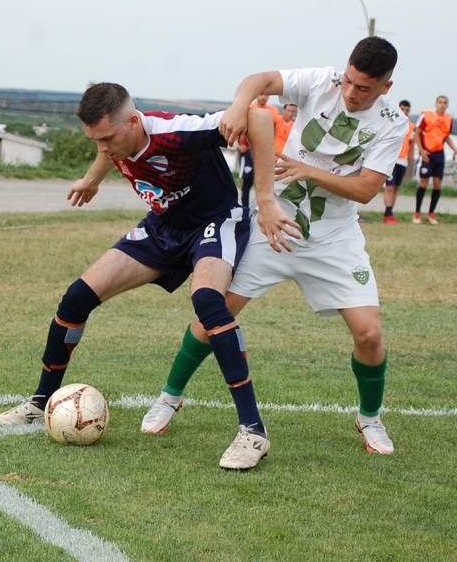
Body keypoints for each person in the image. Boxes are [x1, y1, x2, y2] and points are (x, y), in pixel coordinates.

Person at [141, 37, 407, 455]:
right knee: (216, 313)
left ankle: (370, 418)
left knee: (370, 334)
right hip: (273, 225)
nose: (351, 93)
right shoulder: (322, 81)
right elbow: (259, 79)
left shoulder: (393, 122)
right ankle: (169, 397)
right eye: (349, 81)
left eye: (364, 88)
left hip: (333, 239)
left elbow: (366, 190)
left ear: (385, 88)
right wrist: (237, 107)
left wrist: (309, 171)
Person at [0, 82, 273, 470]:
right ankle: (40, 403)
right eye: (95, 140)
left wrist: (265, 199)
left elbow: (258, 119)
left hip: (214, 222)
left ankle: (253, 430)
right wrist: (92, 179)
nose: (102, 148)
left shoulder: (178, 132)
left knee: (208, 302)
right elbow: (108, 150)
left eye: (107, 138)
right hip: (162, 228)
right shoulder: (115, 141)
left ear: (134, 122)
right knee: (76, 298)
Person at [413, 96, 457, 225]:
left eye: (445, 103)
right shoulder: (426, 116)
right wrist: (421, 150)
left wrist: (456, 150)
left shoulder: (448, 119)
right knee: (424, 183)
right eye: (440, 102)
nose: (442, 105)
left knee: (437, 184)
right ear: (436, 104)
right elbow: (417, 133)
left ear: (447, 105)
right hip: (427, 153)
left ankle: (431, 213)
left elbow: (446, 137)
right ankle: (417, 212)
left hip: (439, 154)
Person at [238, 95, 281, 208]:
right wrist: (240, 144)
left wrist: (271, 146)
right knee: (248, 181)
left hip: (263, 150)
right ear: (257, 95)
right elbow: (239, 125)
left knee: (264, 181)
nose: (263, 97)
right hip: (248, 150)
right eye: (261, 94)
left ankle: (261, 207)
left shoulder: (273, 111)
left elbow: (274, 129)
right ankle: (245, 208)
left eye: (266, 94)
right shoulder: (249, 108)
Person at [381, 99, 415, 224]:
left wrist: (410, 157)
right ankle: (387, 213)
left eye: (407, 110)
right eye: (402, 109)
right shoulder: (391, 122)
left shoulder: (410, 125)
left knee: (396, 187)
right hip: (392, 159)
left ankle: (390, 213)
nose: (404, 112)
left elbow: (411, 142)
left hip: (403, 160)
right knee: (389, 187)